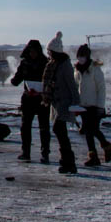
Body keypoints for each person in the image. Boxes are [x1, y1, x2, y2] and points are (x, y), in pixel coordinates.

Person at [41, 31, 80, 175]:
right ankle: (67, 162)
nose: (48, 54)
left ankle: (68, 161)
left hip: (65, 103)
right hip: (57, 103)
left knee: (59, 129)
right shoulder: (53, 64)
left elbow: (72, 85)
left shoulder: (65, 66)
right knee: (60, 131)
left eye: (50, 51)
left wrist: (76, 103)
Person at [9, 39, 50, 163]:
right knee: (25, 127)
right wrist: (13, 80)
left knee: (44, 128)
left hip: (42, 99)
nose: (32, 53)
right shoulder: (25, 64)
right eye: (31, 51)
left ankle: (45, 154)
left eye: (34, 51)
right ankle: (26, 152)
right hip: (28, 99)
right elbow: (16, 81)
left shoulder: (46, 63)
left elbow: (51, 81)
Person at [76, 43, 111, 167]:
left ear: (87, 56)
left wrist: (100, 106)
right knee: (88, 131)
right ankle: (94, 156)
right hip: (83, 105)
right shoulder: (77, 70)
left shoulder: (95, 69)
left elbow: (101, 88)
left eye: (83, 56)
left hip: (94, 105)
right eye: (79, 56)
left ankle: (106, 147)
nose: (80, 58)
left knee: (92, 130)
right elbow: (76, 87)